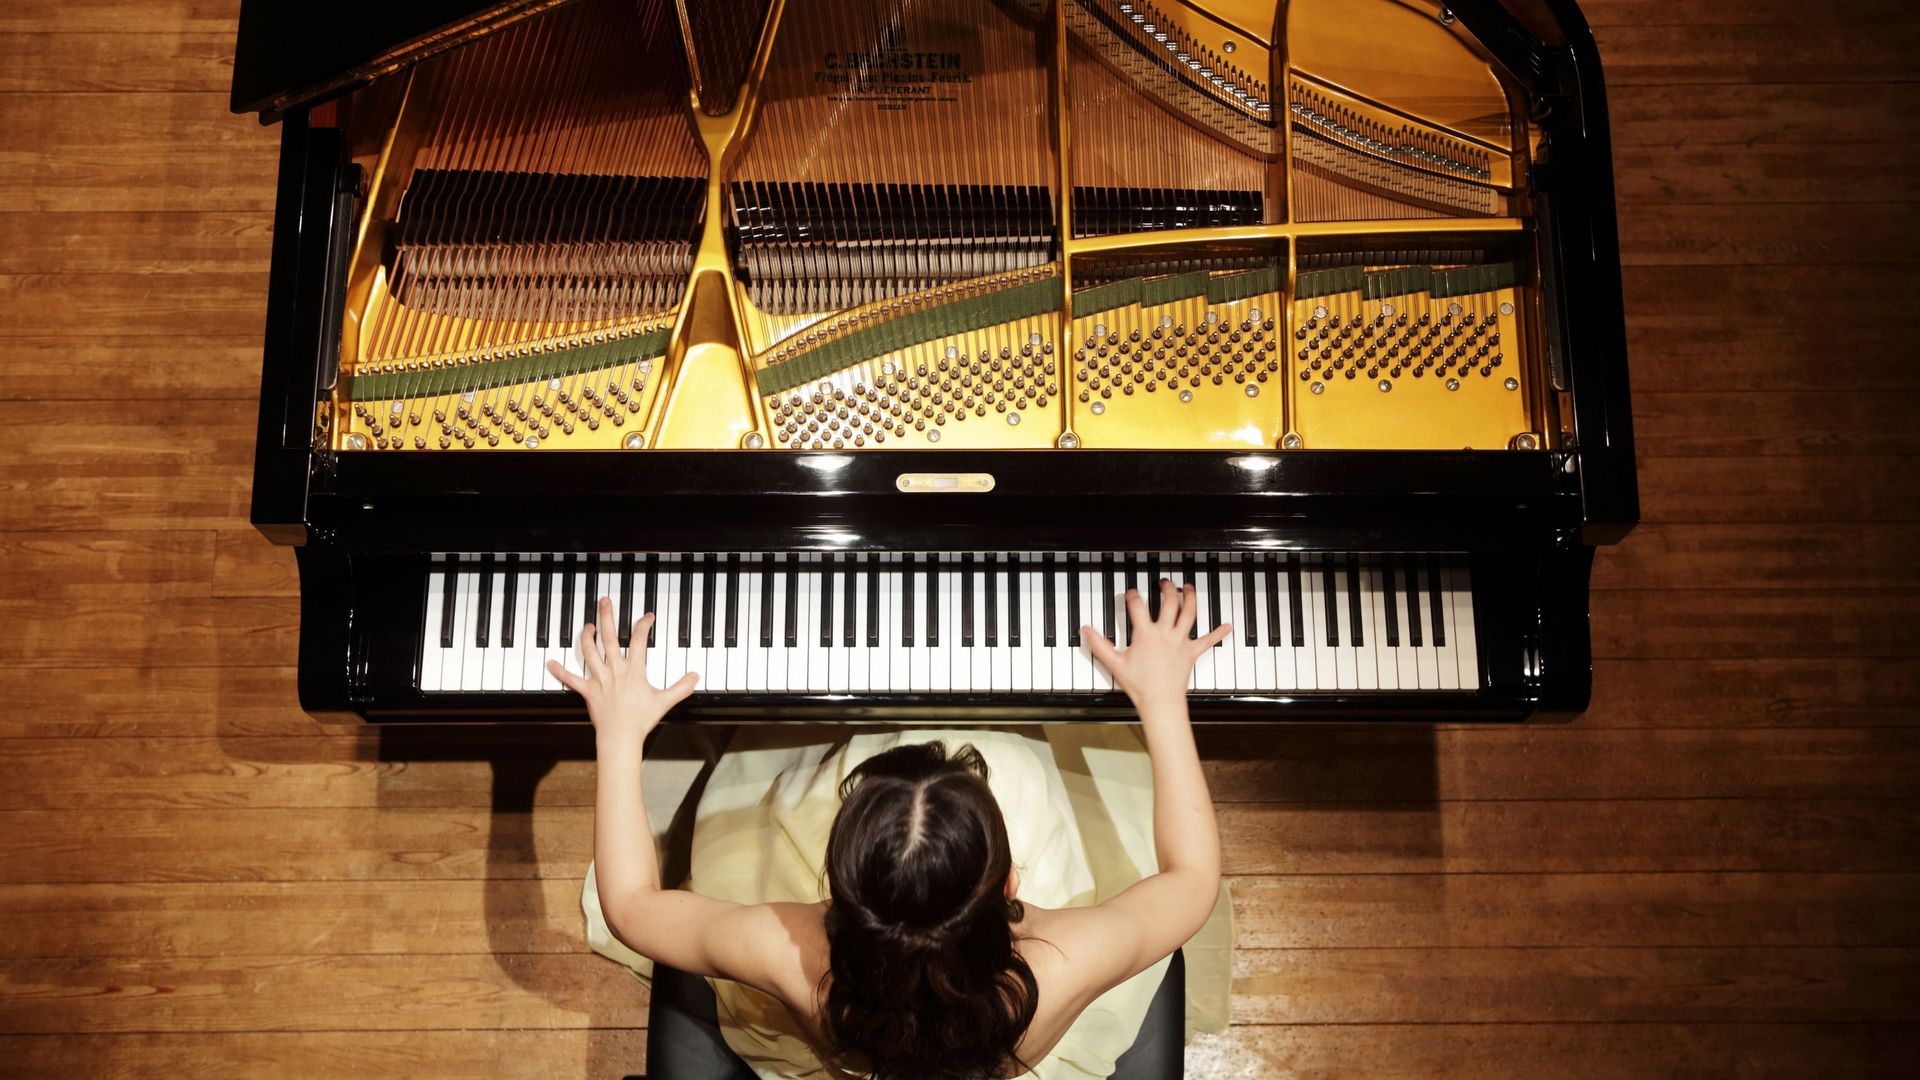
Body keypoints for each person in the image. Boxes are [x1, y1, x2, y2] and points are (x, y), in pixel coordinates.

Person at [551, 579, 1230, 1080]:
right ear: (1011, 883)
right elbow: (1192, 879)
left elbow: (633, 907)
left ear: (835, 892)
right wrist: (1164, 699)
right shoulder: (1057, 963)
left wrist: (618, 737)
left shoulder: (802, 963)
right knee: (1031, 773)